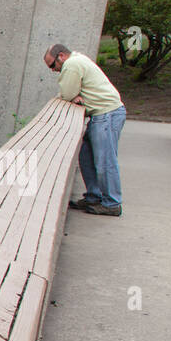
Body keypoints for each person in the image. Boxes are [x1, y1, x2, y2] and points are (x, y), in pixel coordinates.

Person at [44, 43, 126, 217]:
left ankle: (112, 203)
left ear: (61, 56)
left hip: (107, 114)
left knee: (105, 160)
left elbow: (66, 93)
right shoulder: (78, 60)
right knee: (86, 156)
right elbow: (71, 94)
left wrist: (72, 95)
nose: (53, 70)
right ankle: (93, 197)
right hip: (101, 115)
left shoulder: (72, 64)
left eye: (53, 65)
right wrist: (74, 95)